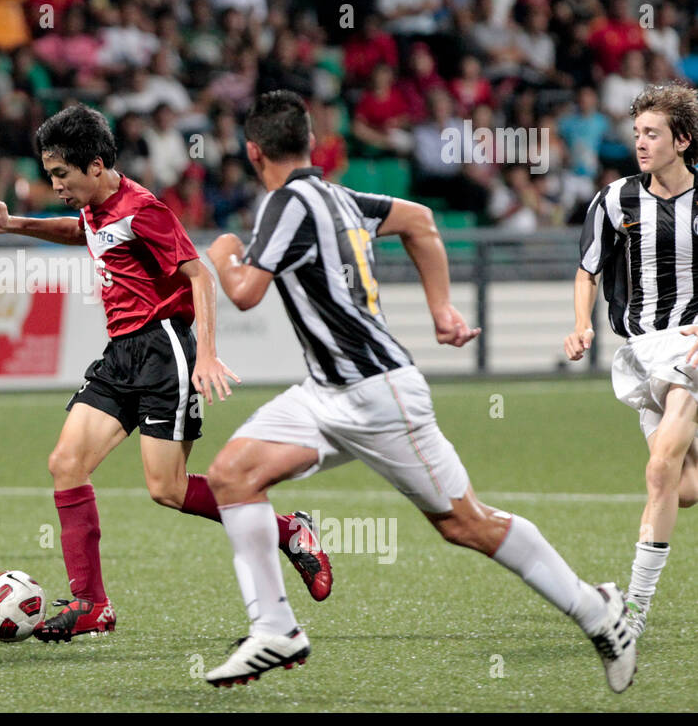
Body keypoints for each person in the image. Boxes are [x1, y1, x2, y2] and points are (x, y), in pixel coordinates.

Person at [203, 90, 635, 691]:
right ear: (308, 142)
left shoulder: (286, 201)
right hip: (326, 392)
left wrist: (224, 255)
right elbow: (419, 220)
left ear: (253, 152)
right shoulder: (336, 196)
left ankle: (598, 609)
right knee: (231, 476)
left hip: (379, 393)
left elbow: (246, 291)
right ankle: (275, 628)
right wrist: (441, 308)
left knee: (466, 524)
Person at [0, 103, 332, 643]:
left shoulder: (143, 209)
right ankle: (91, 604)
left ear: (95, 166)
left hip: (165, 350)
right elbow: (83, 234)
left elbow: (200, 276)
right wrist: (15, 225)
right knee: (66, 464)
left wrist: (206, 353)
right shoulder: (96, 207)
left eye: (61, 175)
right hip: (121, 353)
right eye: (51, 176)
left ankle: (289, 532)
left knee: (166, 489)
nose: (56, 186)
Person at [568, 83, 698, 641]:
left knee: (658, 467)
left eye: (652, 134)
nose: (640, 143)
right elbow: (588, 270)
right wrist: (580, 325)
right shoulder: (615, 199)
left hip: (690, 345)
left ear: (683, 139)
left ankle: (634, 611)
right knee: (682, 487)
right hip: (640, 353)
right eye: (637, 133)